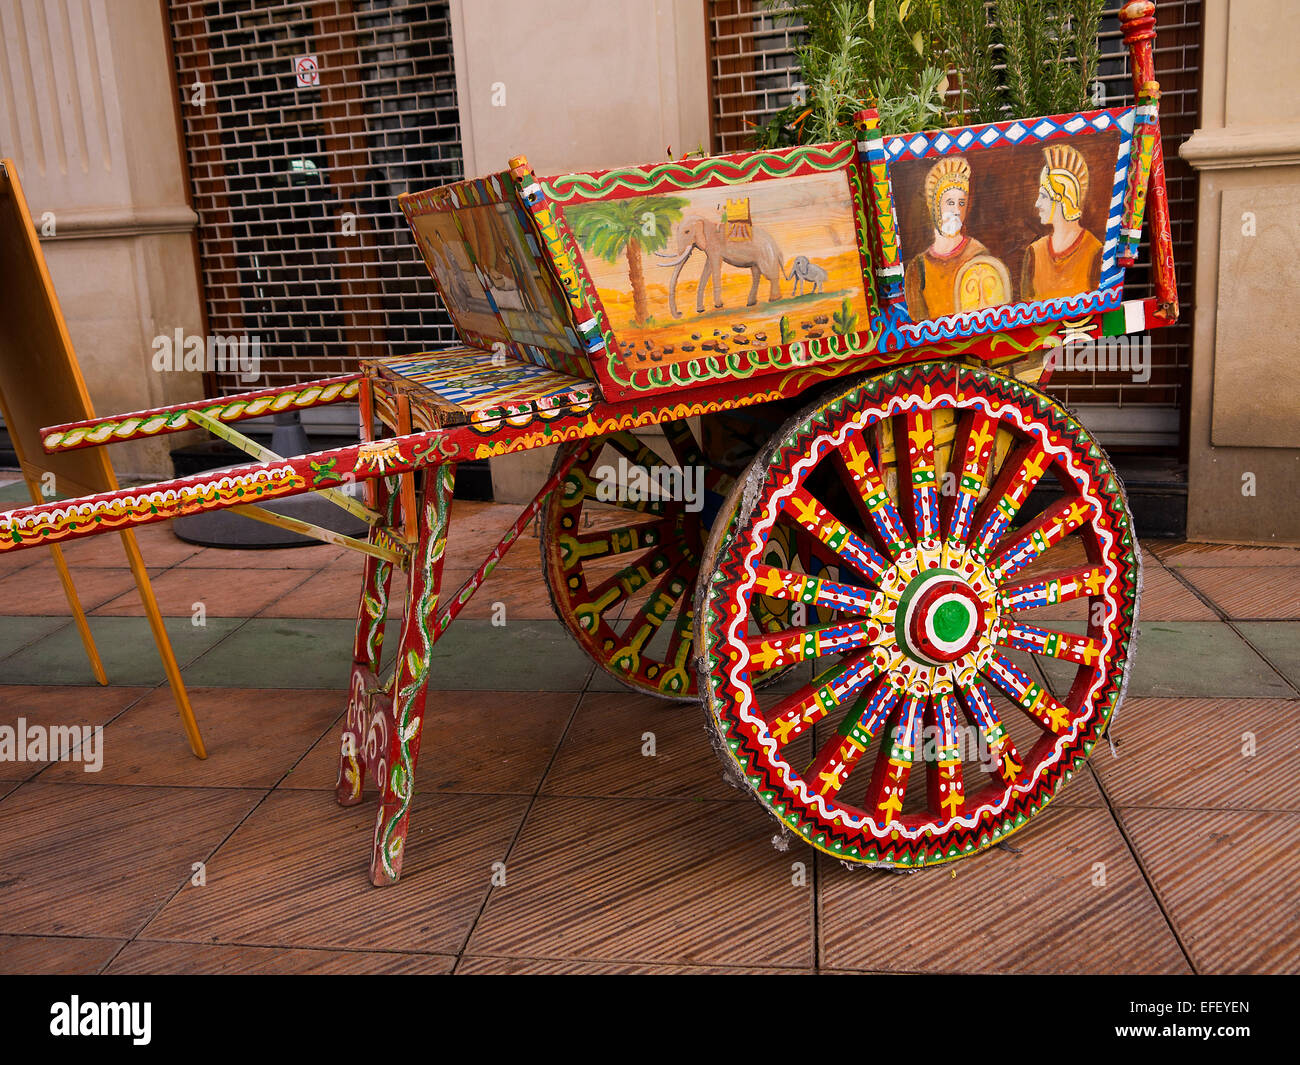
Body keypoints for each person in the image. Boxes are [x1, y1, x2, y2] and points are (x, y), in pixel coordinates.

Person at [904, 157, 1005, 319]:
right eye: (950, 202)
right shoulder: (918, 268)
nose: (957, 210)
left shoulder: (978, 255)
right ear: (936, 207)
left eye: (962, 203)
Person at [1021, 144, 1103, 301]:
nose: (1037, 203)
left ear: (1062, 199)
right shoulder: (1034, 253)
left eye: (1043, 196)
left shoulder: (1094, 251)